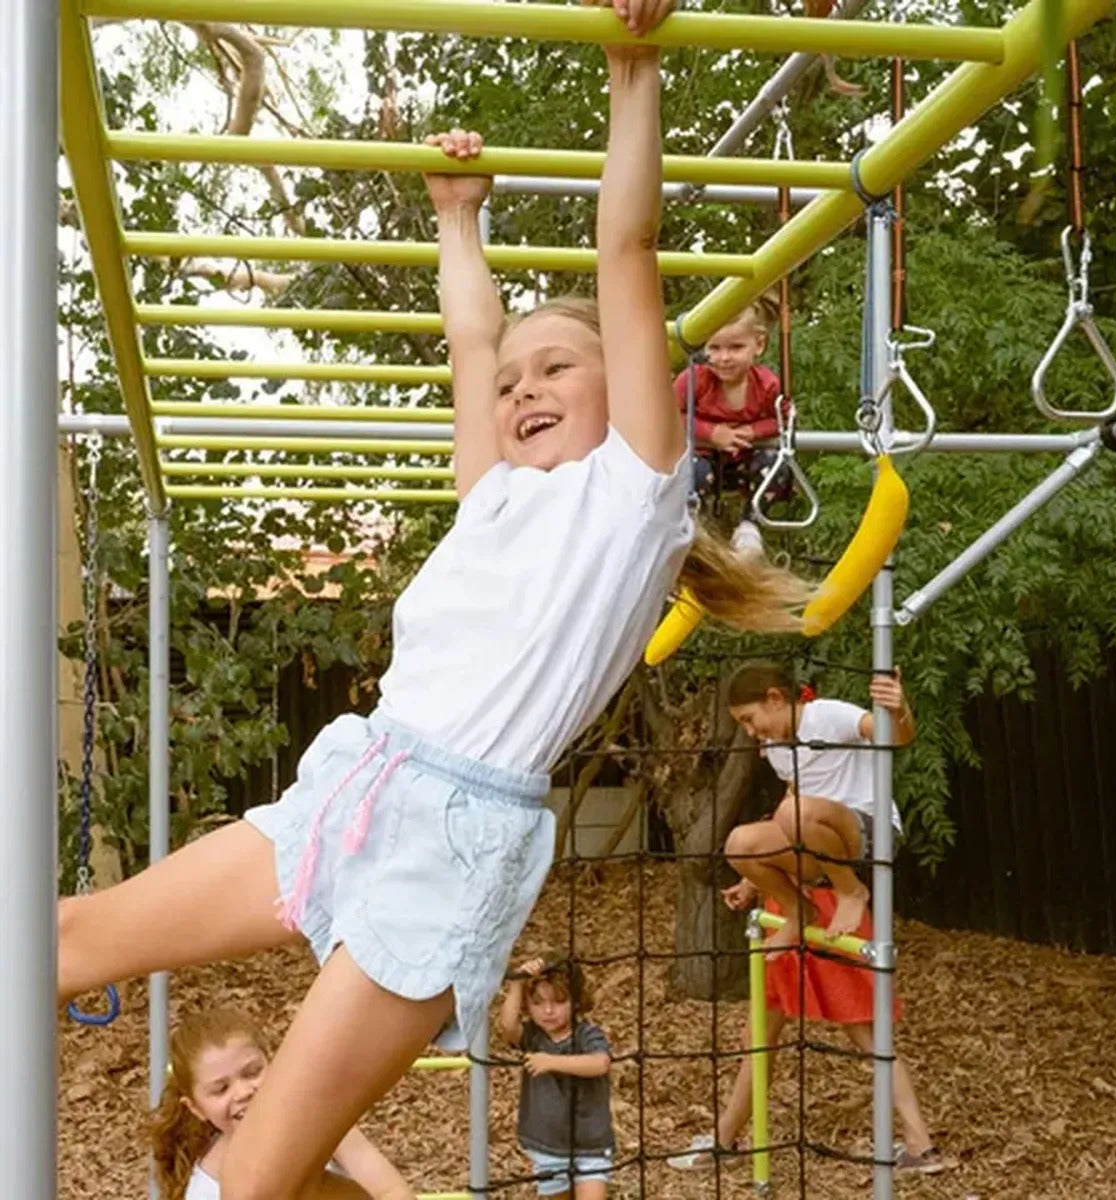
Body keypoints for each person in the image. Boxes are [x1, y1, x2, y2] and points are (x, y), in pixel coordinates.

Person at [57, 6, 815, 1198]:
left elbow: (628, 250)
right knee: (61, 937)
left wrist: (632, 70)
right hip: (357, 778)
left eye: (558, 366)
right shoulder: (496, 495)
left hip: (457, 838)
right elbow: (473, 348)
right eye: (518, 381)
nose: (523, 388)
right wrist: (460, 221)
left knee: (247, 1176)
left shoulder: (633, 495)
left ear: (631, 388)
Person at [665, 887, 945, 1175]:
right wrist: (754, 879)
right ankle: (724, 1139)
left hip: (811, 913)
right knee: (760, 1036)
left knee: (865, 1039)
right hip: (811, 909)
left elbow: (790, 848)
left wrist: (758, 874)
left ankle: (920, 1145)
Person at [723, 661, 915, 945]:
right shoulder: (776, 748)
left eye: (749, 719)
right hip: (820, 849)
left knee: (794, 811)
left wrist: (899, 709)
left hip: (871, 833)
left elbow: (896, 736)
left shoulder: (826, 714)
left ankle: (850, 891)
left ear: (775, 699)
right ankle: (798, 910)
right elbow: (790, 806)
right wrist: (753, 877)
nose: (750, 732)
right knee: (738, 845)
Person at [150, 1008, 415, 1200]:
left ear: (275, 1064)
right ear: (196, 1108)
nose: (243, 1091)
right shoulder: (205, 1191)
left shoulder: (324, 1129)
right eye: (221, 1089)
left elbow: (393, 1192)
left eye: (252, 1072)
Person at [673, 303, 786, 557]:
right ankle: (697, 529)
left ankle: (750, 525)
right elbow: (667, 414)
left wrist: (755, 431)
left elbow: (786, 417)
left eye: (736, 347)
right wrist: (711, 433)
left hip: (746, 461)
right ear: (703, 347)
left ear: (758, 345)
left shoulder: (767, 384)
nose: (724, 358)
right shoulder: (694, 379)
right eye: (714, 348)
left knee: (777, 465)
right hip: (704, 459)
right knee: (689, 470)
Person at [498, 955, 614, 1198]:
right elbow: (508, 1026)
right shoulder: (533, 1037)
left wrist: (550, 1062)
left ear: (576, 1002)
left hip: (591, 1145)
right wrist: (517, 984)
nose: (548, 1011)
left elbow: (600, 1063)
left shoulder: (586, 1034)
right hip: (548, 1145)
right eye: (538, 1003)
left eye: (559, 1002)